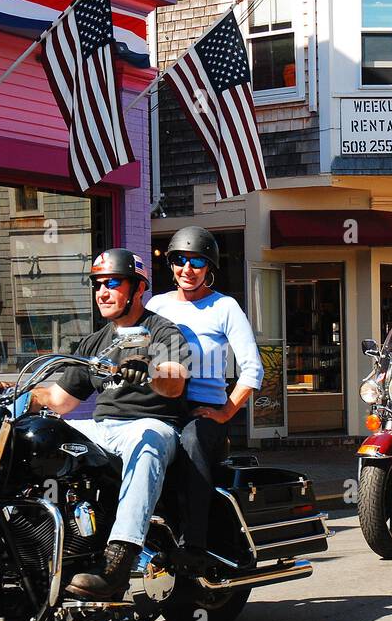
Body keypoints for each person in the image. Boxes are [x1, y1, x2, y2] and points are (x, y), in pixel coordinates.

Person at [30, 249, 190, 600]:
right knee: (38, 437)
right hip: (103, 428)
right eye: (98, 284)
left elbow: (175, 379)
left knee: (145, 440)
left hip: (151, 424)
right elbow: (61, 401)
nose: (102, 292)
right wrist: (14, 393)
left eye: (113, 283)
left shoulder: (161, 331)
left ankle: (119, 560)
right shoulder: (95, 342)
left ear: (137, 289)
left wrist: (150, 371)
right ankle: (34, 541)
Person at [145, 226, 262, 573]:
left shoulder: (223, 307)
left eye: (196, 261)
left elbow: (252, 370)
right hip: (160, 406)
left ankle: (194, 545)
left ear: (208, 266)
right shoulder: (157, 305)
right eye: (179, 260)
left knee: (192, 439)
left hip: (202, 414)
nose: (187, 269)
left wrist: (225, 413)